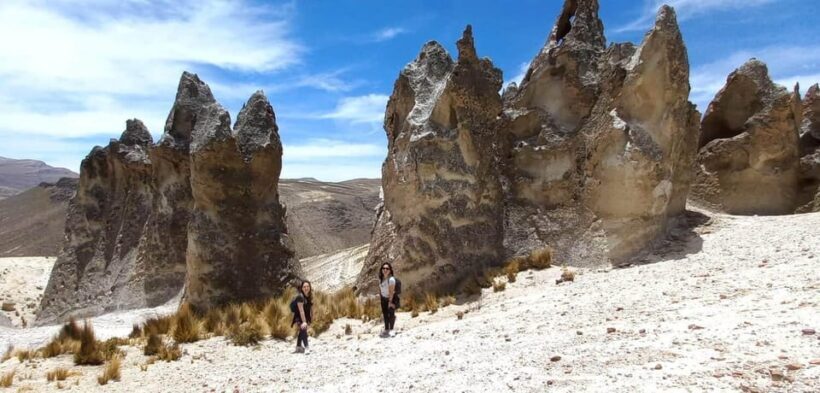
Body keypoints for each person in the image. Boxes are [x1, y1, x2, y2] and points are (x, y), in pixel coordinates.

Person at [292, 280, 313, 354]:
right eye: (304, 287)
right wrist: (304, 322)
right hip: (299, 316)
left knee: (302, 330)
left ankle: (298, 347)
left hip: (305, 315)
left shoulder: (309, 296)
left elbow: (310, 308)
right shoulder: (300, 297)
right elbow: (301, 311)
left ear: (310, 287)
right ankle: (307, 347)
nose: (306, 288)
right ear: (301, 288)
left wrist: (311, 318)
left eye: (307, 286)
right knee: (304, 329)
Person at [379, 262, 398, 337]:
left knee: (391, 314)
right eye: (383, 268)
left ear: (390, 270)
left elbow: (391, 291)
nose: (385, 270)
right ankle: (387, 329)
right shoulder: (381, 278)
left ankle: (392, 330)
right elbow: (380, 288)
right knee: (385, 314)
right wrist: (381, 297)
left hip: (390, 299)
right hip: (383, 299)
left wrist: (390, 302)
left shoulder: (391, 279)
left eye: (387, 268)